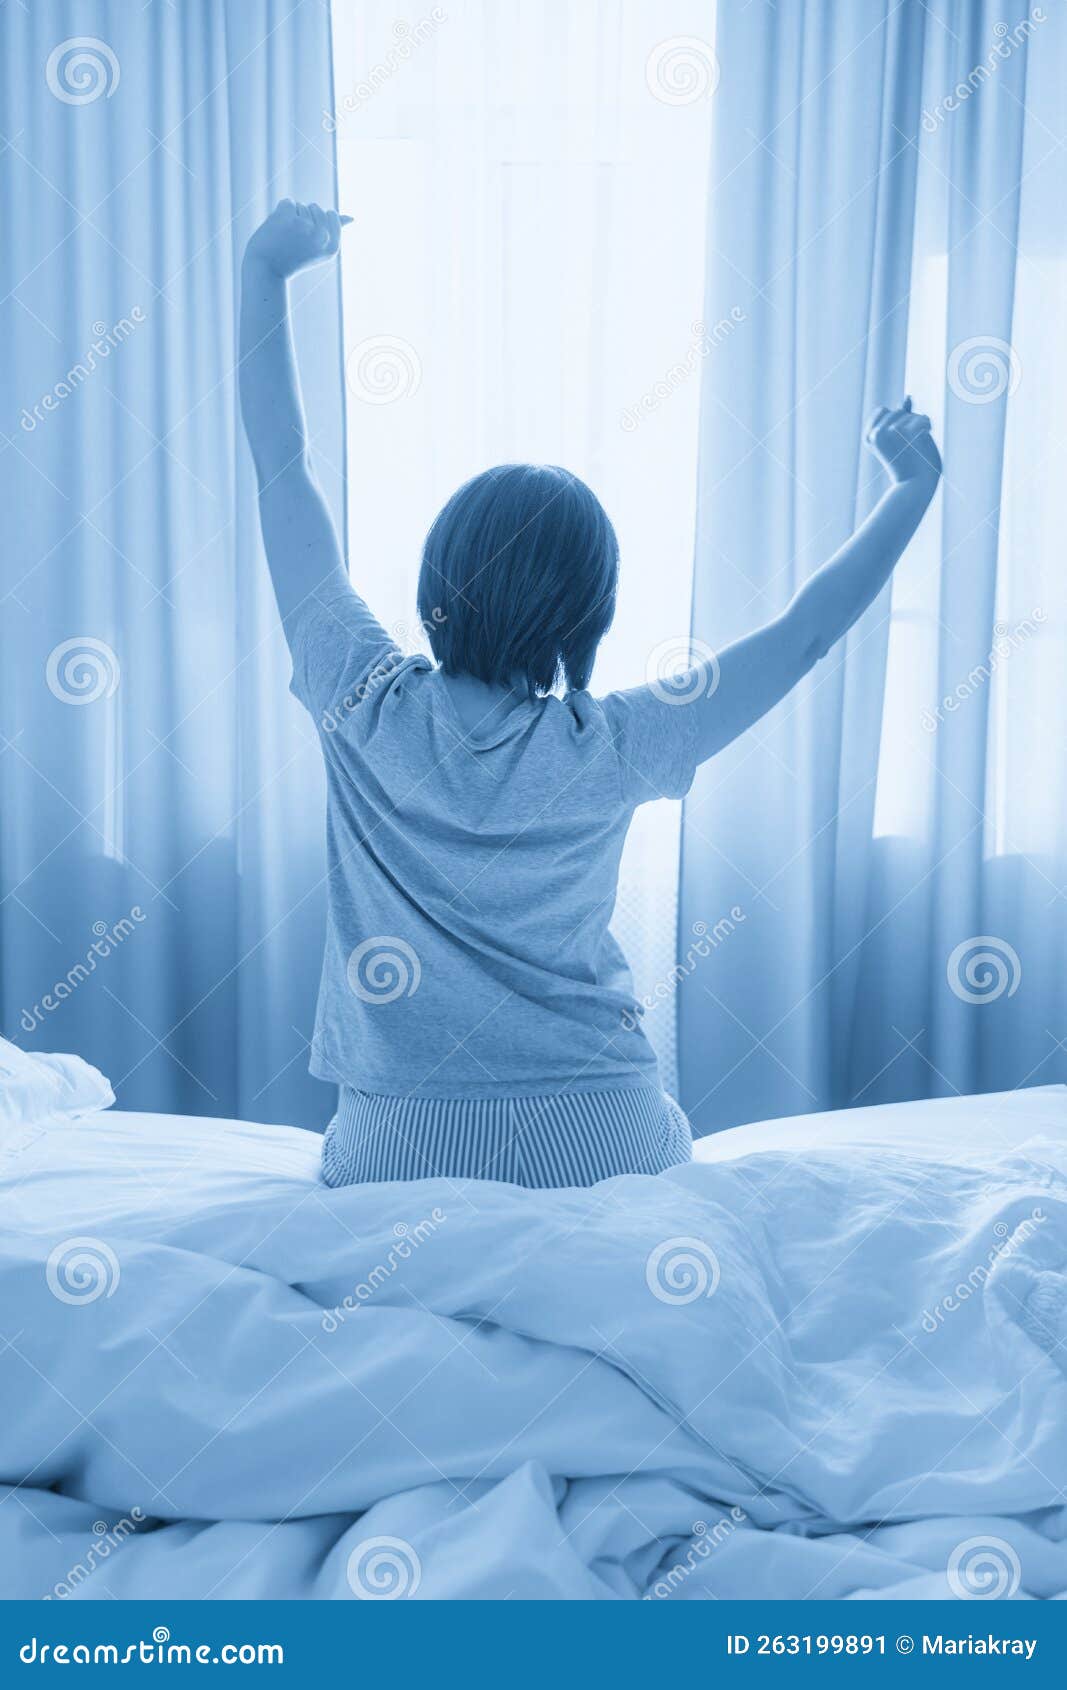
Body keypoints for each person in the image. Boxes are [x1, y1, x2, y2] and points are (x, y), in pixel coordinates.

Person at [238, 199, 942, 1188]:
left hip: (399, 1140)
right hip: (599, 1127)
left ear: (434, 590)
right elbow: (806, 632)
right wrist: (909, 489)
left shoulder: (360, 699)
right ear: (588, 618)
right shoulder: (619, 742)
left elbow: (283, 471)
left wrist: (263, 273)